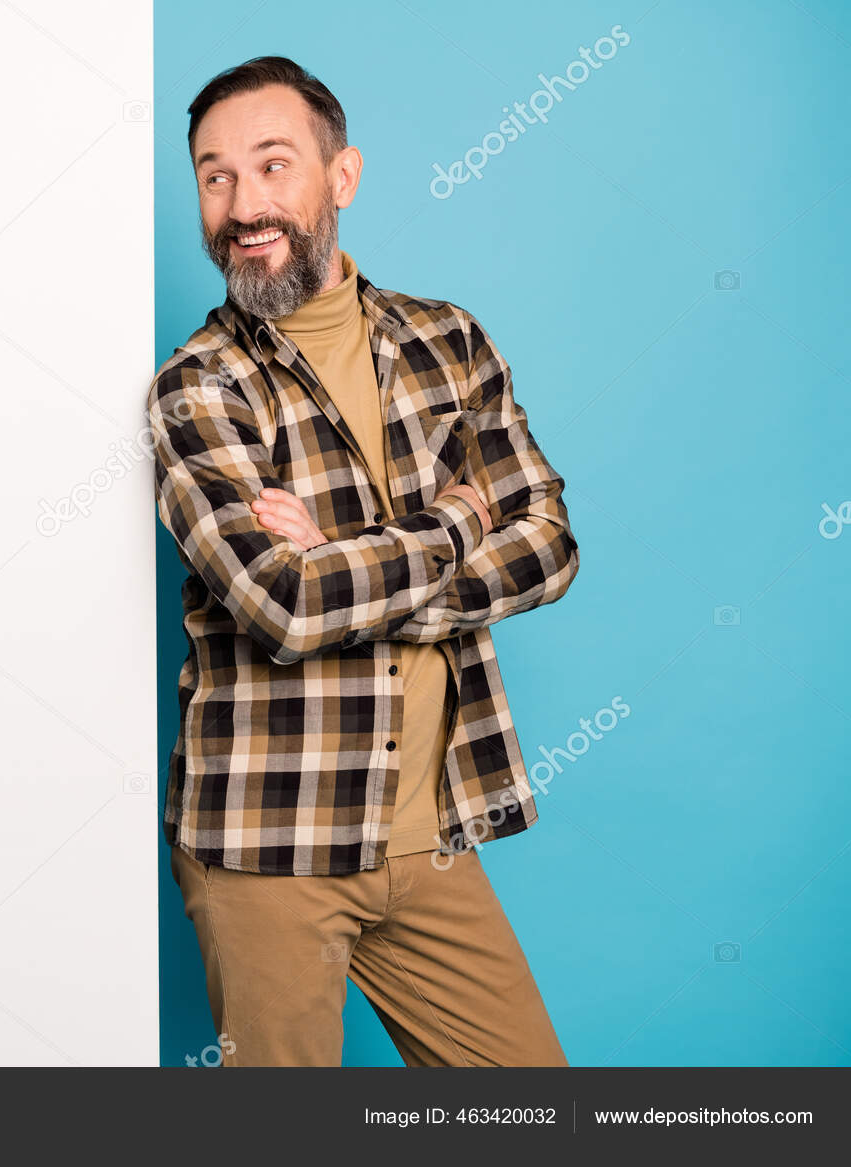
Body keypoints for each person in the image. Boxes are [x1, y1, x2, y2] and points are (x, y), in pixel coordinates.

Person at [147, 56, 580, 1067]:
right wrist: (465, 521)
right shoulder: (196, 389)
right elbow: (285, 608)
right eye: (215, 177)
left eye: (272, 166)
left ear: (340, 177)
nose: (245, 205)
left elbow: (551, 545)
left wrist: (346, 560)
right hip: (268, 847)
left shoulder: (448, 342)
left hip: (431, 834)